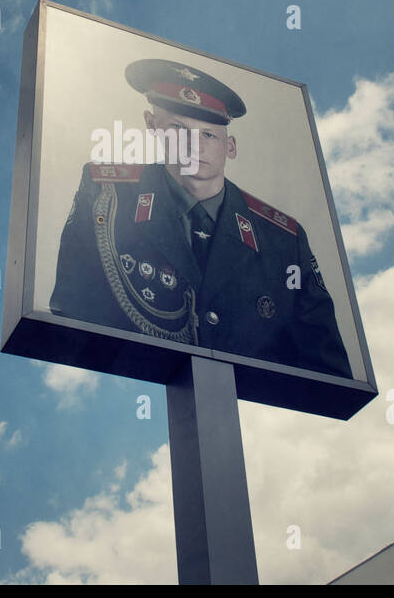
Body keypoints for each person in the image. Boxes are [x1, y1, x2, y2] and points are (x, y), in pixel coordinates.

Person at [49, 58, 352, 378]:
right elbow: (72, 318)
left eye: (209, 134)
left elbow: (326, 369)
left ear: (230, 146)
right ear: (151, 125)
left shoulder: (283, 238)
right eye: (178, 128)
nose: (195, 146)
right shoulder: (106, 195)